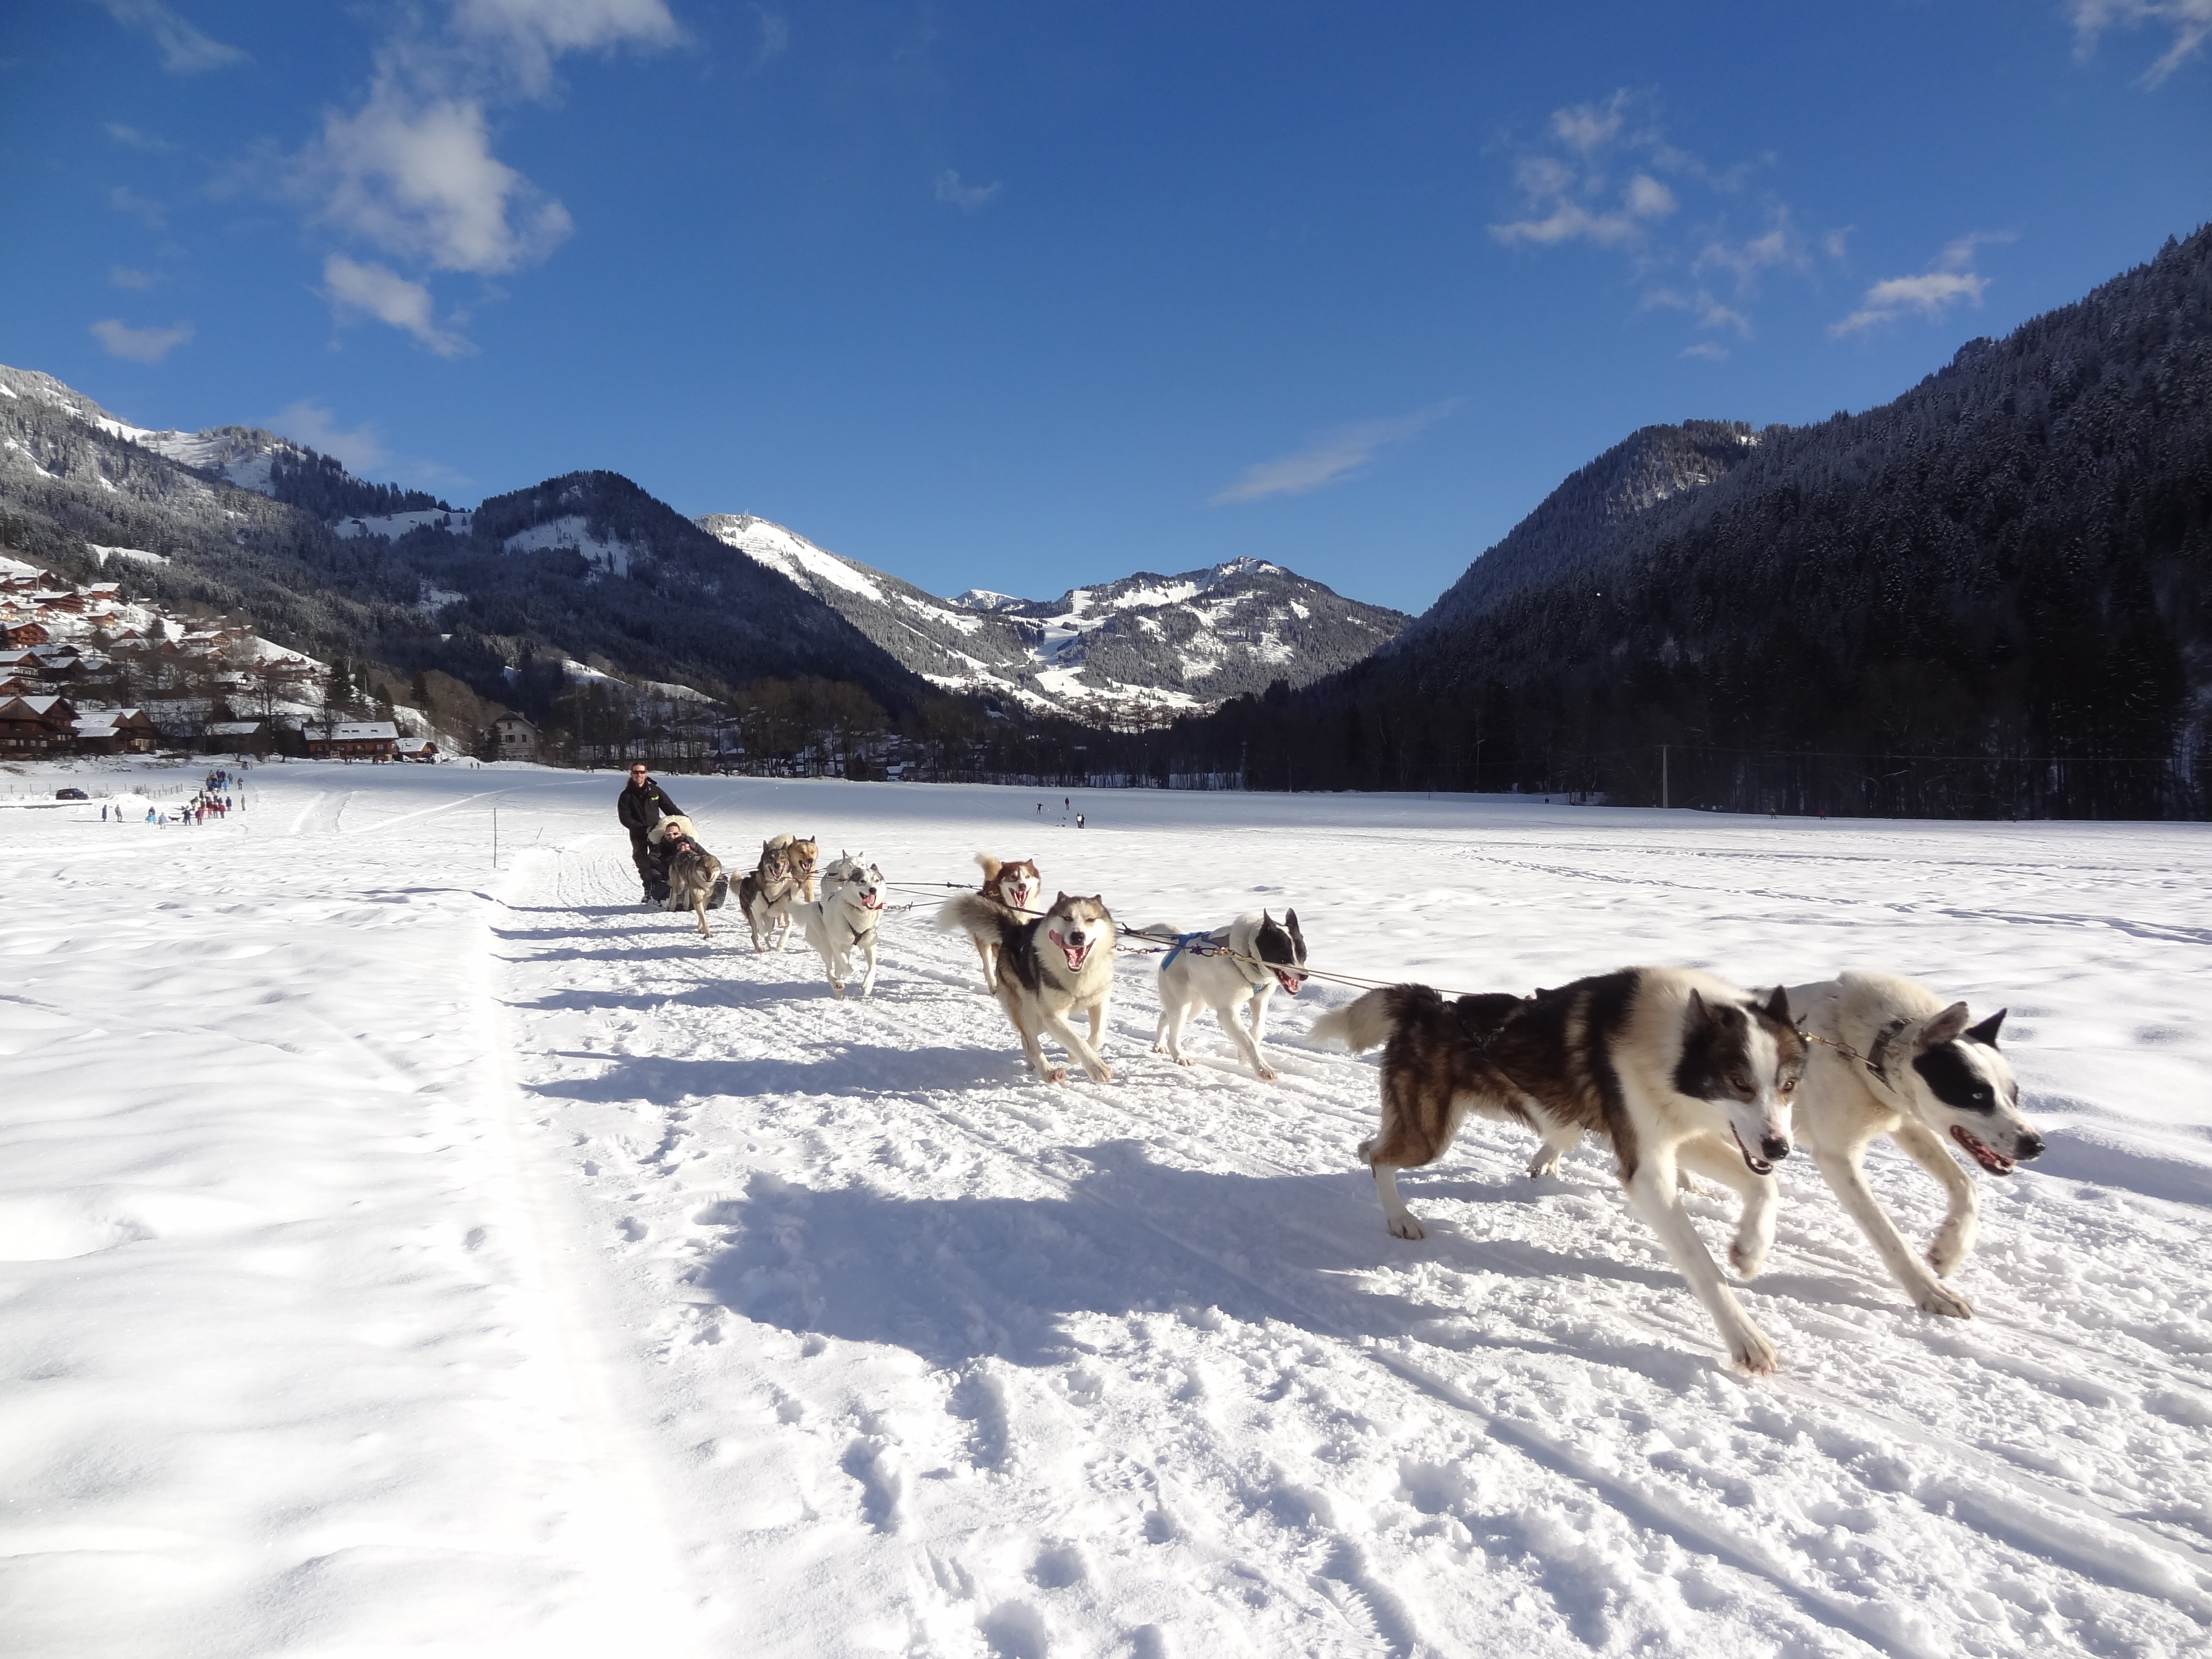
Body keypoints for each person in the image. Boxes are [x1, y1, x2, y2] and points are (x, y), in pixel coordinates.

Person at [617, 761, 682, 901]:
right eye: (636, 772)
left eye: (642, 772)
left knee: (658, 860)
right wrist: (642, 828)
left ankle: (664, 887)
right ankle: (648, 889)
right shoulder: (626, 795)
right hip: (638, 835)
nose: (639, 775)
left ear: (646, 774)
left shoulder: (655, 791)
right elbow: (625, 818)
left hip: (656, 833)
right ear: (631, 774)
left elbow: (669, 807)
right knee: (642, 862)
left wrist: (684, 820)